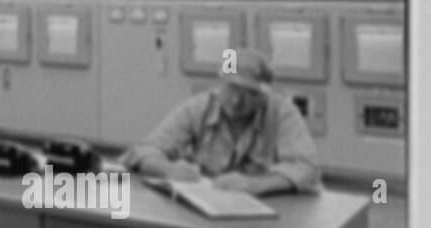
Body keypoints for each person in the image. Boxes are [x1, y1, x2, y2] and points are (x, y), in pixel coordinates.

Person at [121, 47, 320, 195]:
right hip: (209, 206)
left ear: (264, 95)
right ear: (221, 83)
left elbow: (307, 168)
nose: (236, 101)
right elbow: (142, 151)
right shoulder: (199, 108)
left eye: (249, 94)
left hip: (268, 215)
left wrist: (257, 185)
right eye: (231, 88)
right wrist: (169, 170)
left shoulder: (281, 113)